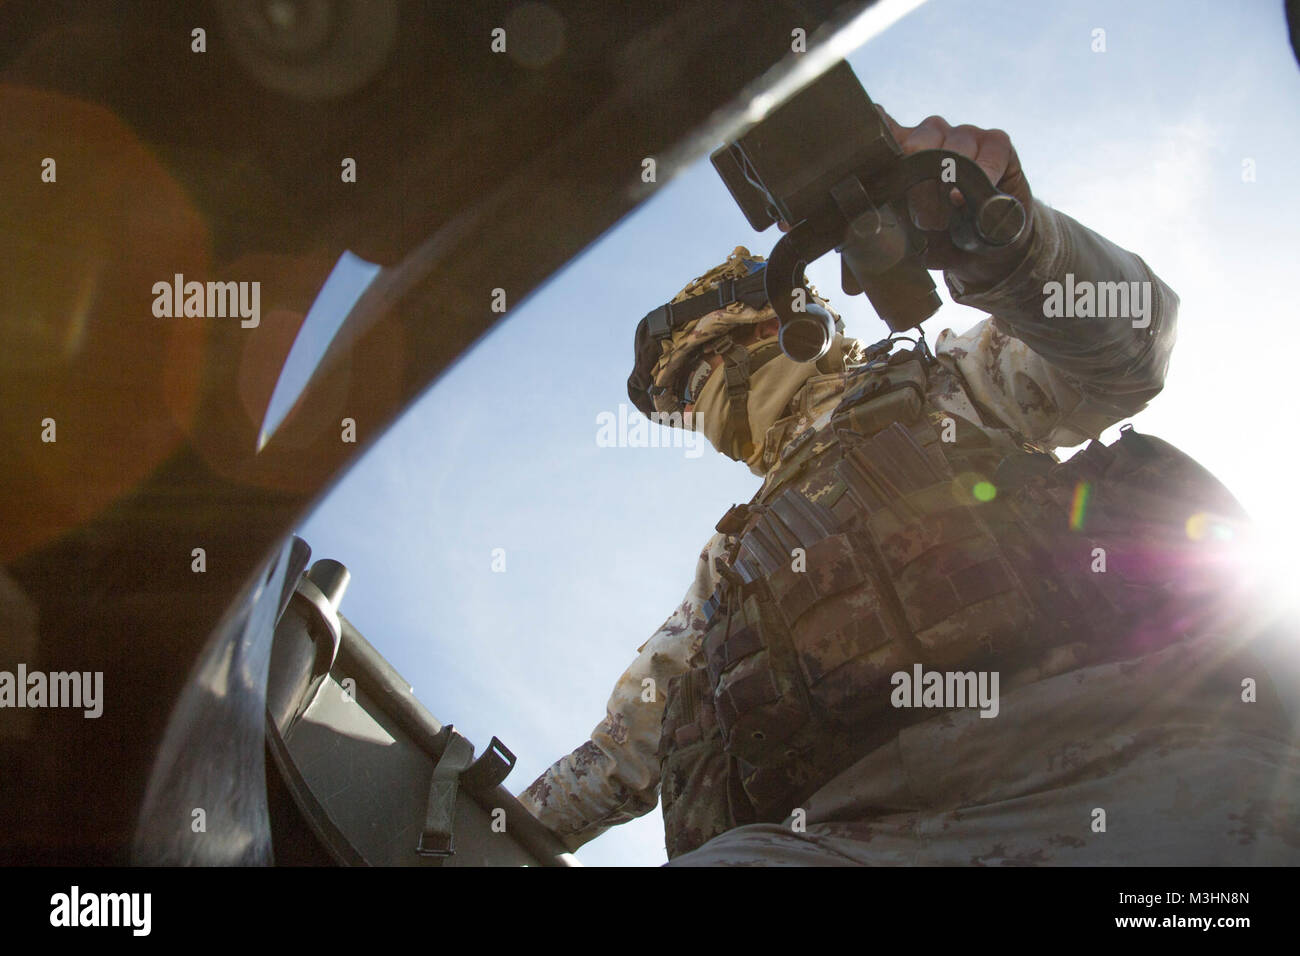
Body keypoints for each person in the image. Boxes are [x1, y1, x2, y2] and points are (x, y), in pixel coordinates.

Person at [517, 109, 1300, 865]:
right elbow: (623, 754)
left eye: (698, 378)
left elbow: (1131, 345)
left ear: (776, 331)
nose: (702, 416)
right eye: (684, 410)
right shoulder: (733, 551)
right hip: (844, 832)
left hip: (1100, 761)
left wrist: (1005, 244)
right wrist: (466, 821)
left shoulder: (947, 381)